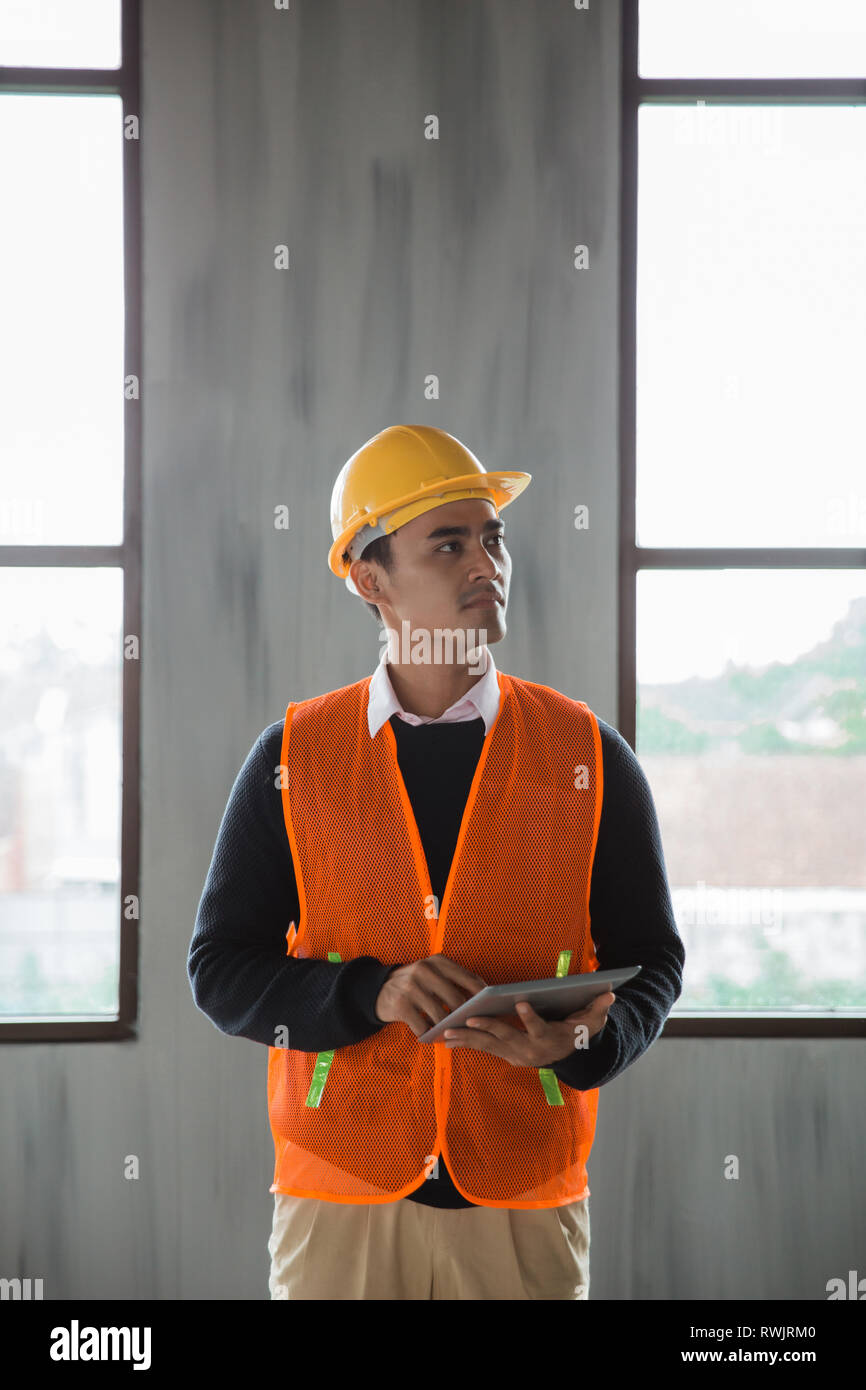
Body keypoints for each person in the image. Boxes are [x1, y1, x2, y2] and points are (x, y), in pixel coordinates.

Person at [188, 423, 685, 1300]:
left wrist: (583, 1044)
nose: (484, 562)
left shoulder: (588, 755)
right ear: (370, 580)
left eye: (493, 538)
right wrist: (369, 992)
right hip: (338, 1196)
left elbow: (656, 963)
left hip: (523, 1199)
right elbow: (221, 972)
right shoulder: (292, 757)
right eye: (448, 543)